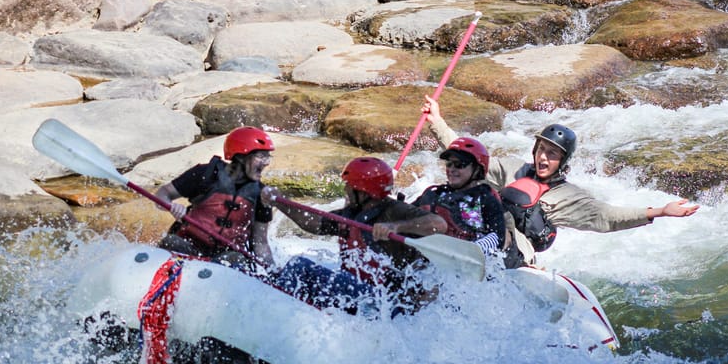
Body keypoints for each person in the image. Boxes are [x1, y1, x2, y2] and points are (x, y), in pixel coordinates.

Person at [422, 96, 699, 266]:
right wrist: (436, 122)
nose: (543, 158)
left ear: (563, 162)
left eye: (552, 154)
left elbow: (608, 217)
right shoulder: (513, 169)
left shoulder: (568, 197)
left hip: (517, 254)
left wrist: (659, 211)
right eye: (541, 150)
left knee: (502, 219)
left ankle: (473, 251)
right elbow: (470, 161)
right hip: (482, 234)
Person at [262, 156, 447, 314]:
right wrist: (280, 203)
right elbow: (316, 224)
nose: (345, 190)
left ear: (363, 191)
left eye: (349, 186)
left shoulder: (394, 210)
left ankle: (273, 308)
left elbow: (439, 225)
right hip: (362, 293)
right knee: (304, 282)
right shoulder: (351, 212)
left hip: (388, 303)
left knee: (300, 267)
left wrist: (396, 226)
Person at [155, 126, 276, 271]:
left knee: (237, 259)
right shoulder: (205, 174)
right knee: (171, 241)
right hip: (189, 246)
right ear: (241, 156)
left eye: (268, 156)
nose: (267, 162)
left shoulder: (262, 195)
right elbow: (162, 194)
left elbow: (260, 243)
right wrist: (171, 206)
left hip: (225, 258)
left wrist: (272, 272)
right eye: (261, 156)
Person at [411, 136, 507, 259]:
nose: (451, 169)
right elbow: (407, 213)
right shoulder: (435, 194)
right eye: (449, 164)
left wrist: (469, 252)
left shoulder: (485, 199)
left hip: (469, 261)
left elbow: (498, 237)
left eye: (459, 164)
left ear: (477, 169)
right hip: (429, 258)